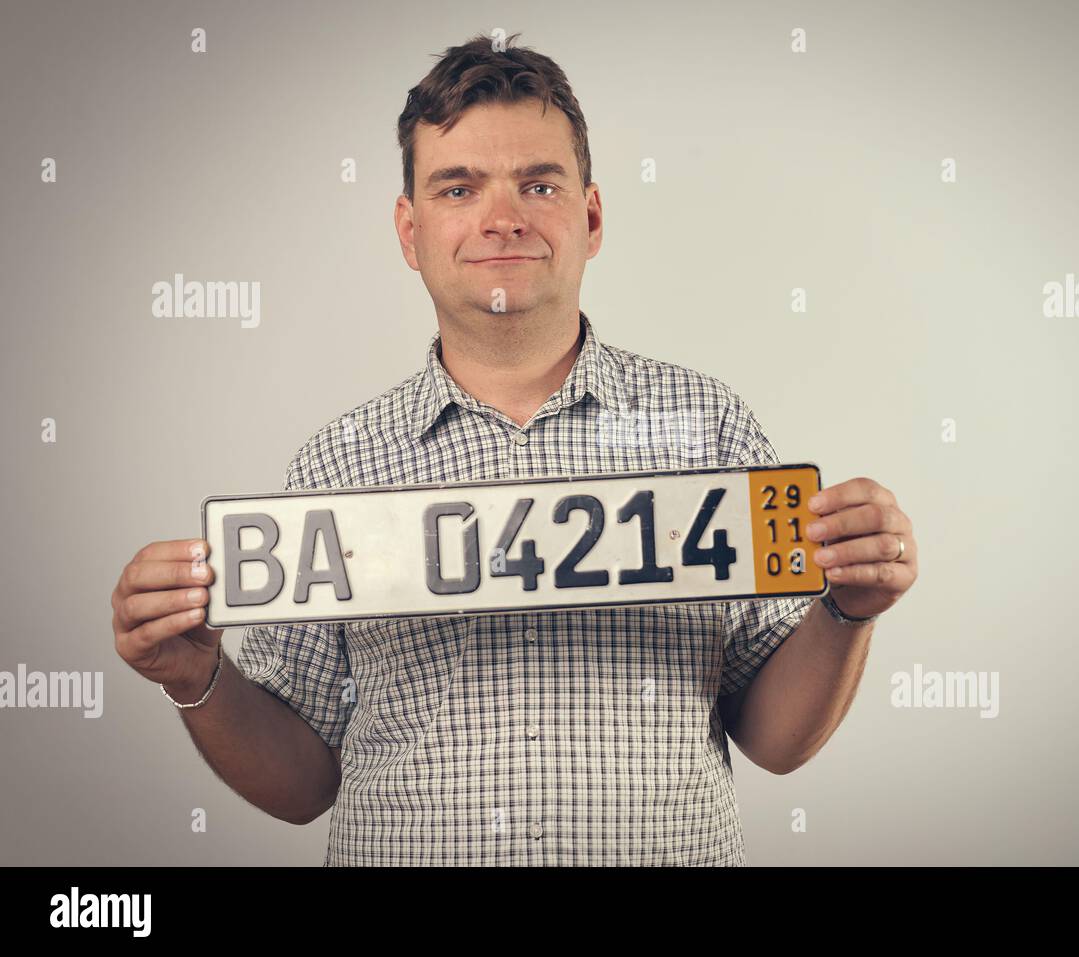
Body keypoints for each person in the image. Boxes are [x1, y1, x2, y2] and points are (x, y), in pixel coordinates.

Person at [110, 33, 918, 866]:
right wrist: (196, 678)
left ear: (592, 215)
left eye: (539, 183)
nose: (503, 217)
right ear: (409, 229)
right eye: (458, 188)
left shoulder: (708, 426)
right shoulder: (336, 465)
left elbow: (775, 739)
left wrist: (846, 608)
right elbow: (305, 783)